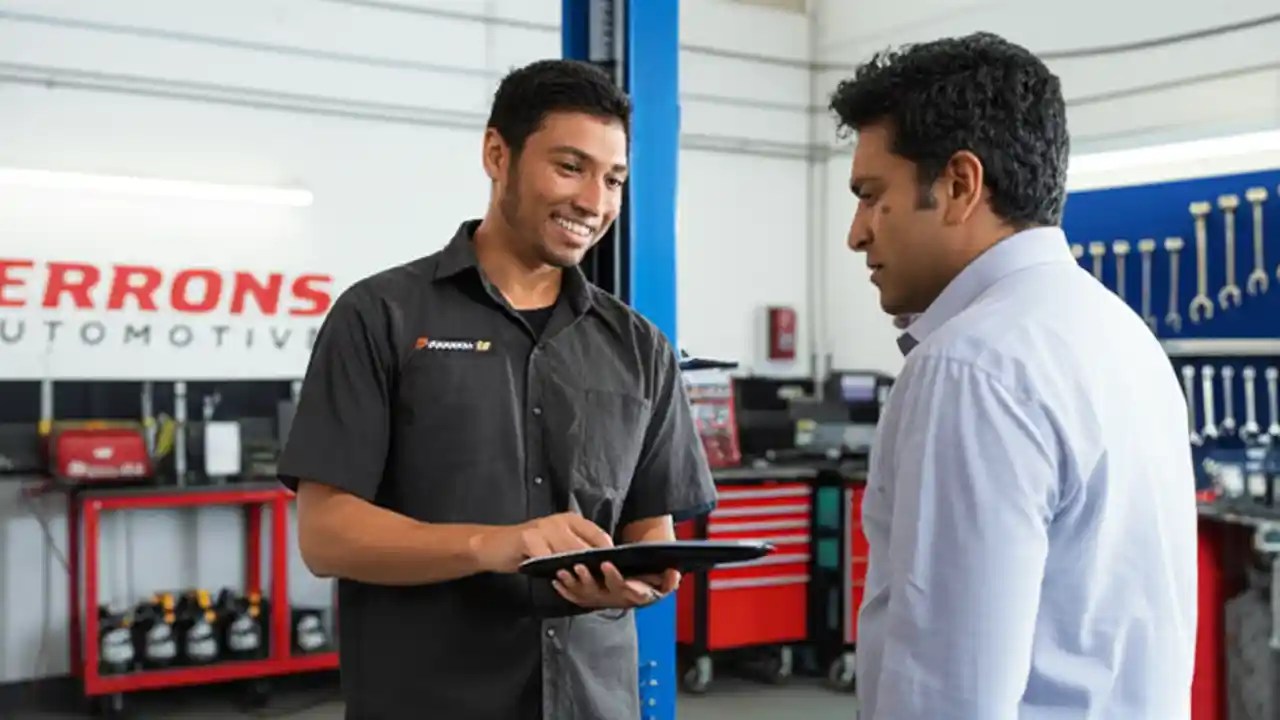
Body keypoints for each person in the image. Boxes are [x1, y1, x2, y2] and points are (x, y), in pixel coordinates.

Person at [278, 58, 718, 719]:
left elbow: (648, 524)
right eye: (570, 167)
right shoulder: (381, 317)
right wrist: (493, 544)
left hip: (591, 700)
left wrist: (637, 576)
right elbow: (326, 535)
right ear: (496, 154)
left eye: (613, 179)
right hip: (430, 700)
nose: (594, 203)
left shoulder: (639, 347)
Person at [831, 33, 1197, 718]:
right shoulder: (1122, 335)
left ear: (960, 185)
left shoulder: (969, 368)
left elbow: (947, 693)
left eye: (871, 195)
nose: (857, 232)